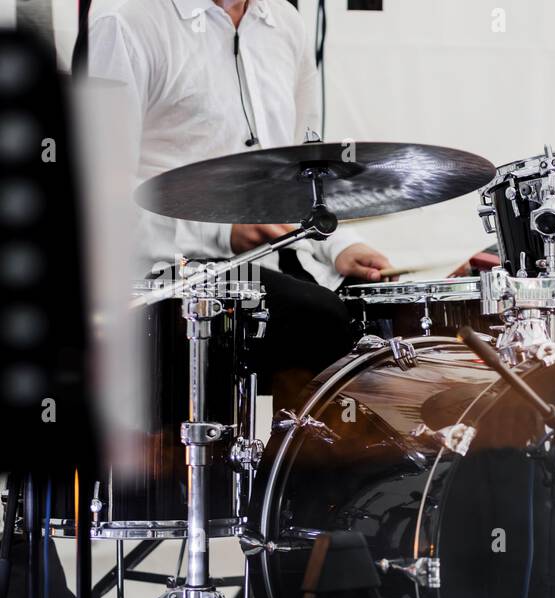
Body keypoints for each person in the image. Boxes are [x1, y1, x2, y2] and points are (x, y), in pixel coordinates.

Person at [87, 0, 394, 404]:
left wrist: (336, 245)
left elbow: (296, 172)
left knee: (381, 310)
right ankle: (289, 464)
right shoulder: (125, 18)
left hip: (267, 265)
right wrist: (220, 231)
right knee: (317, 319)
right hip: (162, 276)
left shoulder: (284, 21)